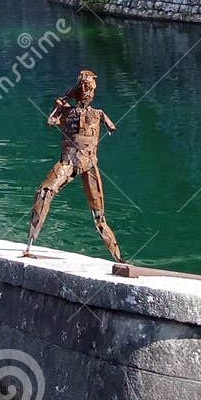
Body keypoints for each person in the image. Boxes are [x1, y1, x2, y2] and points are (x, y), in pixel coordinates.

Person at [25, 68, 121, 260]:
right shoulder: (68, 112)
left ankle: (118, 256)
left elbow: (112, 127)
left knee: (99, 213)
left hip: (89, 162)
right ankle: (30, 243)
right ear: (78, 90)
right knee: (45, 192)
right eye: (84, 88)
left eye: (90, 89)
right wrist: (61, 104)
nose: (87, 92)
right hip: (69, 160)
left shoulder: (98, 114)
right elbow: (51, 121)